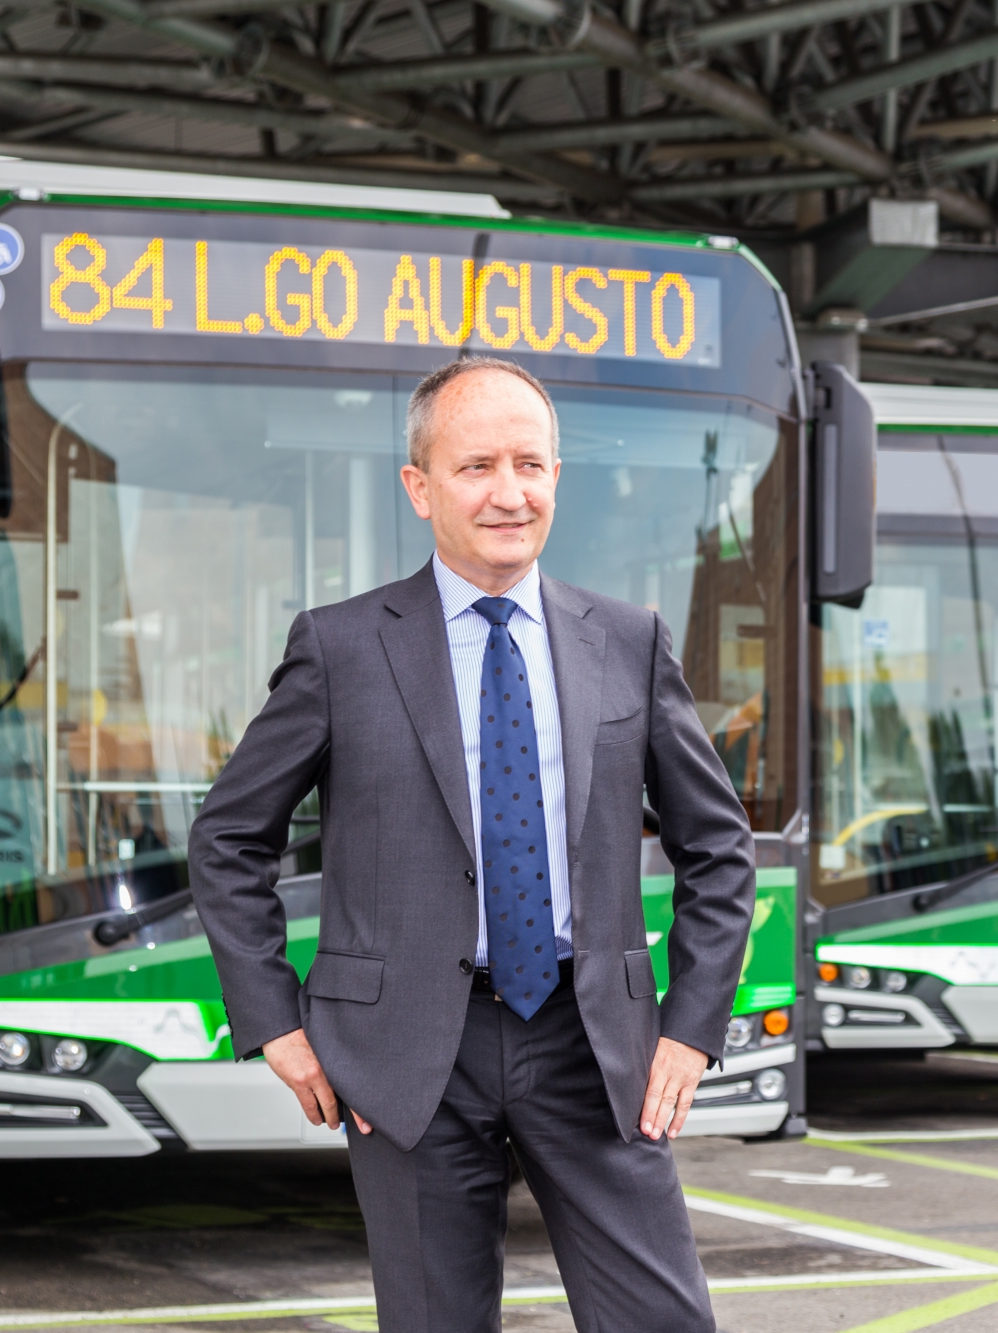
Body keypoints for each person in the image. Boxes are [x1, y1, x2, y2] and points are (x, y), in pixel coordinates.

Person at [188, 355, 756, 1333]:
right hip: (405, 1054)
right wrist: (276, 1024)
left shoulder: (628, 640)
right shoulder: (341, 646)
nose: (509, 493)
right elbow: (230, 836)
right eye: (476, 466)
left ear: (556, 478)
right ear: (419, 487)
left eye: (529, 465)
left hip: (593, 1043)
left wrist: (690, 1027)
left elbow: (719, 847)